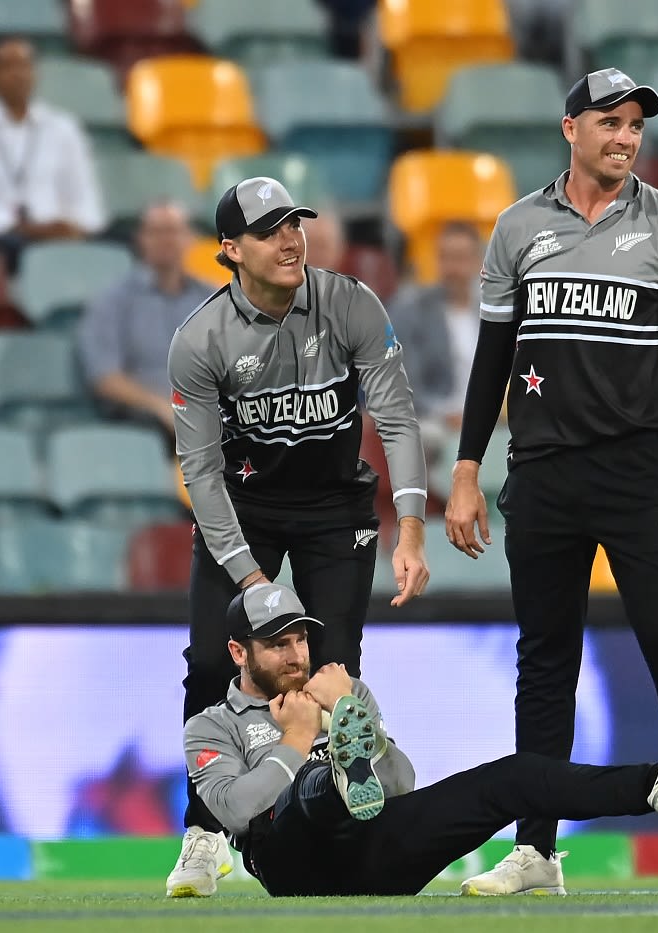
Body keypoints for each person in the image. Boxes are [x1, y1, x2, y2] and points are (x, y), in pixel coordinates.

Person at [445, 68, 658, 896]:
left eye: (635, 125)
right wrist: (463, 472)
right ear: (570, 129)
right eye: (610, 122)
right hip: (543, 469)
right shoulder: (518, 226)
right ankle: (535, 850)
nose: (626, 138)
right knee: (545, 660)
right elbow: (492, 360)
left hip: (638, 468)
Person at [165, 176, 430, 896]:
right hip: (243, 510)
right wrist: (251, 579)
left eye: (296, 224)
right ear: (229, 249)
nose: (291, 239)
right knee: (209, 663)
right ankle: (203, 832)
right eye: (269, 229)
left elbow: (398, 420)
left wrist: (409, 526)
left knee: (333, 668)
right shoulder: (200, 339)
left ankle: (339, 826)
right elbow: (202, 472)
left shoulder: (351, 303)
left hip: (336, 510)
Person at [176, 582, 658, 897]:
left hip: (378, 856)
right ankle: (335, 777)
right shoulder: (211, 725)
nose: (297, 655)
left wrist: (357, 720)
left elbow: (400, 783)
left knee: (516, 776)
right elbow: (231, 810)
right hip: (292, 864)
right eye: (278, 644)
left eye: (301, 639)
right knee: (312, 793)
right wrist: (298, 741)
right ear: (238, 653)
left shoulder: (339, 694)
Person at [0, 35, 104, 270]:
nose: (18, 74)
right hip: (10, 240)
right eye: (7, 67)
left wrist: (73, 228)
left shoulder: (64, 127)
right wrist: (30, 230)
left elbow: (85, 198)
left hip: (64, 235)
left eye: (24, 65)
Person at [78, 201, 215, 439]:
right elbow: (105, 377)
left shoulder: (212, 300)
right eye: (156, 232)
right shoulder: (113, 301)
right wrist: (161, 407)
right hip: (146, 418)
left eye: (174, 231)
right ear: (141, 239)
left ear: (190, 238)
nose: (166, 240)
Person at [387, 221, 486, 469]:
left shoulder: (494, 312)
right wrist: (447, 413)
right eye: (446, 258)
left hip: (490, 421)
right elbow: (408, 384)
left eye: (460, 258)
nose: (452, 268)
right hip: (436, 421)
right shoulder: (413, 311)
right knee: (431, 437)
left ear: (478, 263)